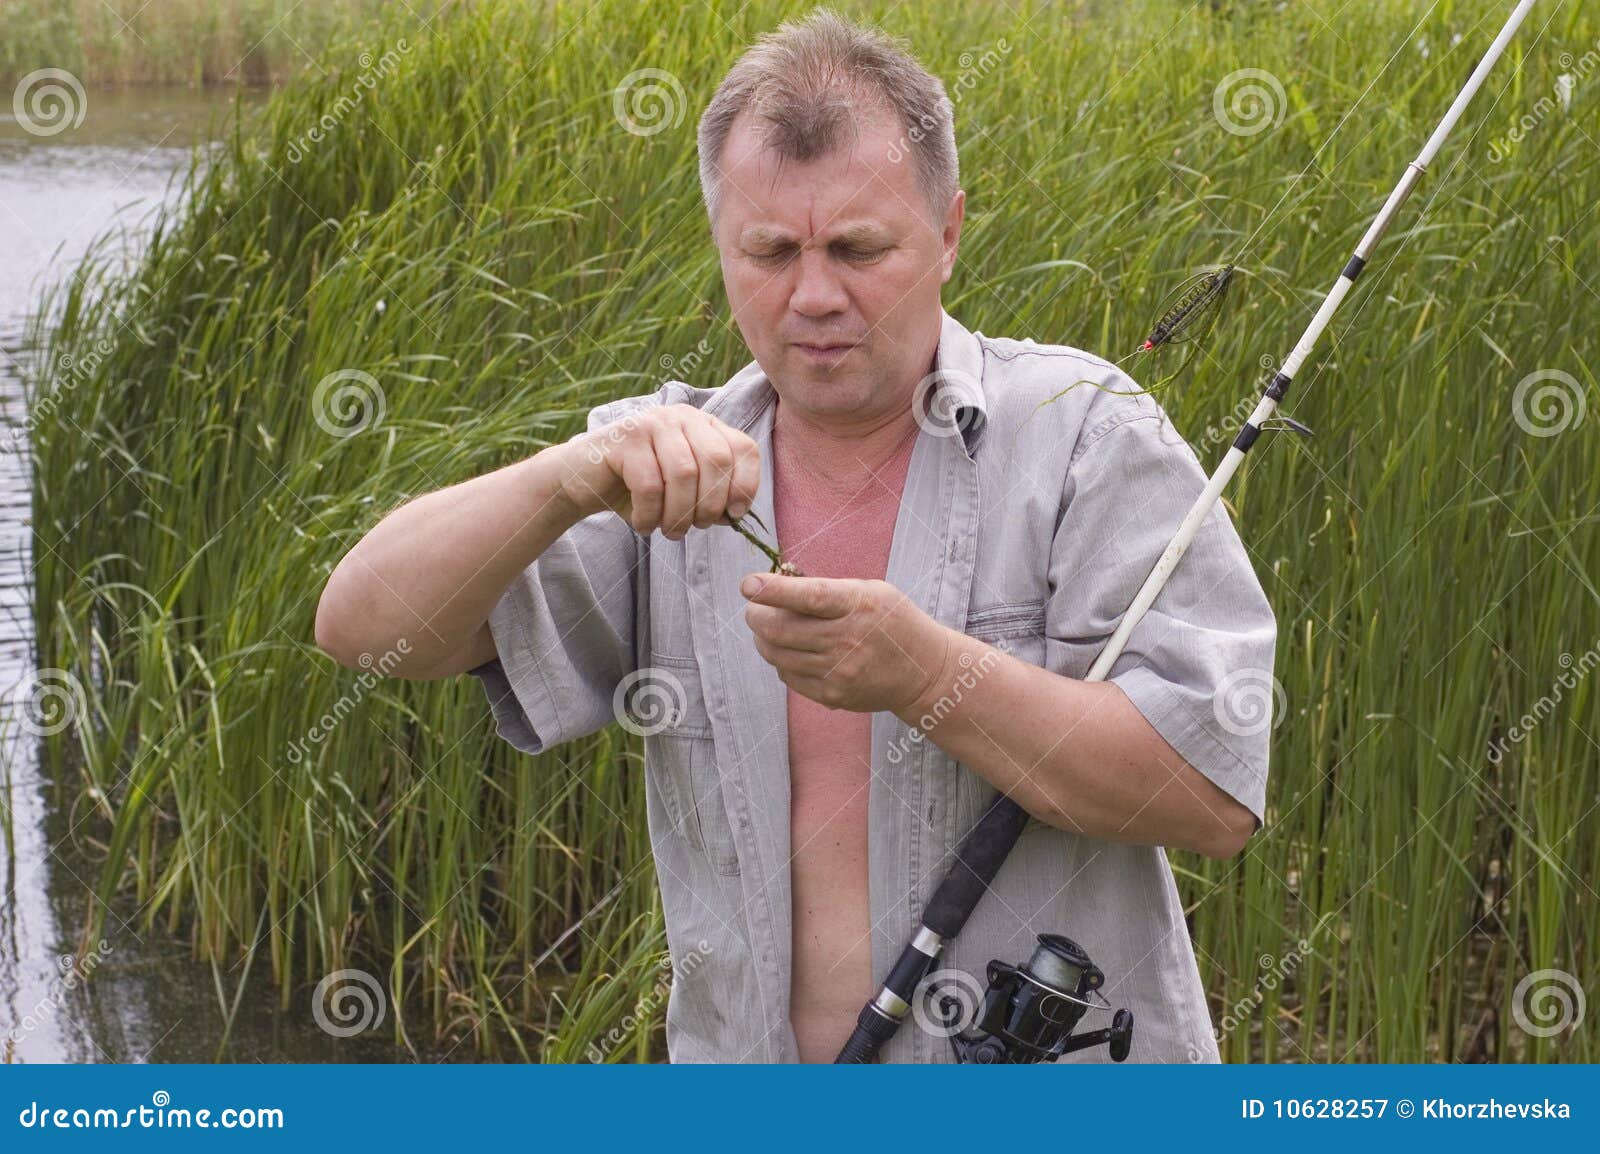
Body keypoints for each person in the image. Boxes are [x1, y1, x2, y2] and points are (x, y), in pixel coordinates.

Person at [314, 6, 1276, 1064]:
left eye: (859, 248)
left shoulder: (1082, 432)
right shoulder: (657, 473)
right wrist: (567, 477)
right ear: (721, 244)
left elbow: (1211, 792)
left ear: (949, 231)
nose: (813, 295)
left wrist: (925, 676)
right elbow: (364, 629)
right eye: (769, 251)